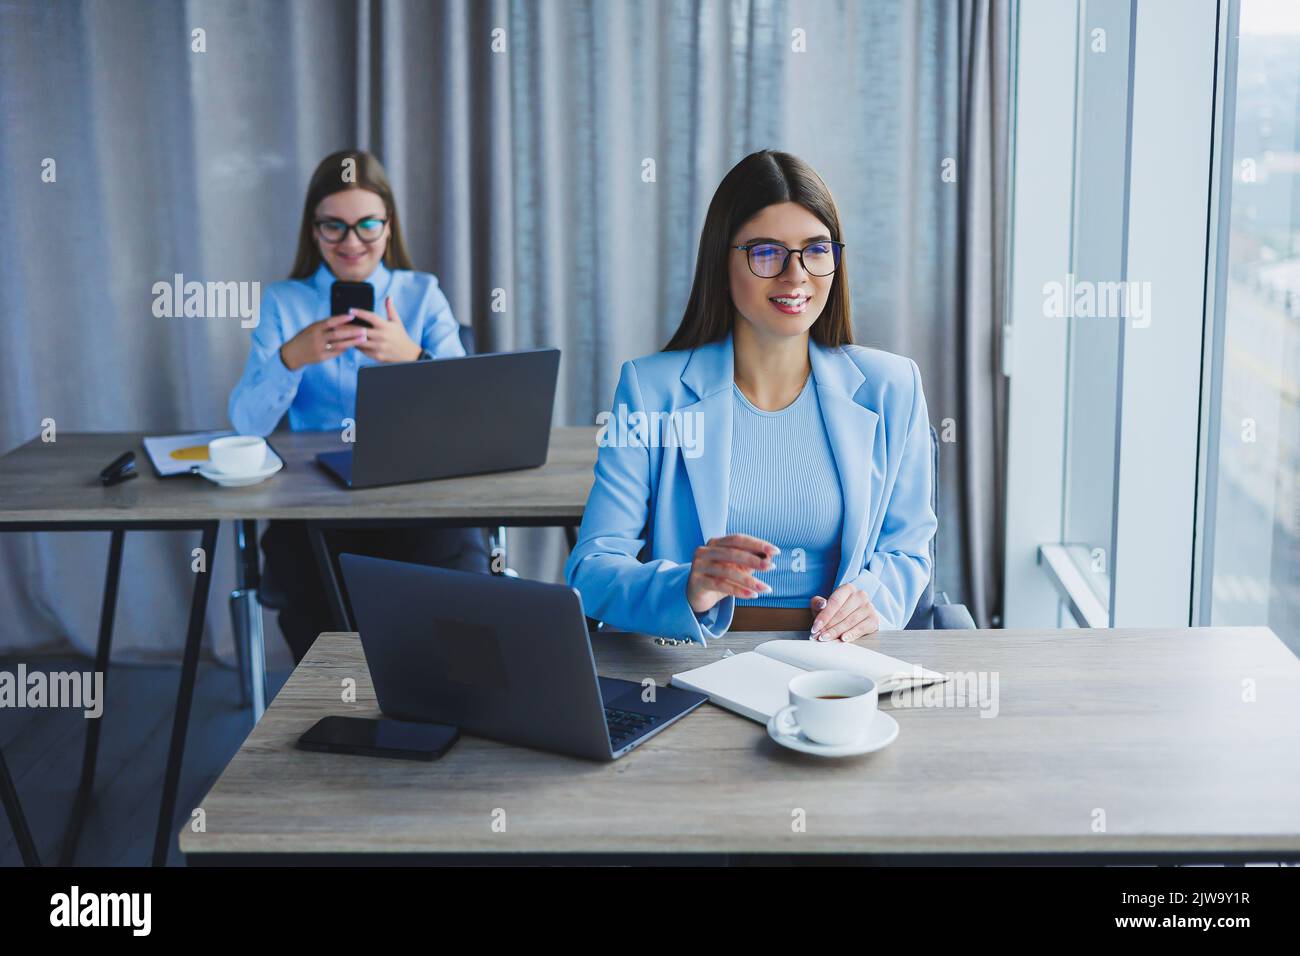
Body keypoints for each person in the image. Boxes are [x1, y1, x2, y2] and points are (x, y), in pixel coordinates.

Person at [565, 149, 937, 644]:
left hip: (836, 662)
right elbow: (592, 569)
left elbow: (907, 550)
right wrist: (686, 587)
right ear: (723, 262)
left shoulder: (893, 386)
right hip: (694, 657)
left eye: (816, 249)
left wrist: (869, 602)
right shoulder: (651, 391)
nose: (795, 274)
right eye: (766, 252)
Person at [229, 149, 489, 662]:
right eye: (334, 226)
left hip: (418, 496)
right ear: (314, 231)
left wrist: (412, 357)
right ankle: (342, 699)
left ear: (389, 227)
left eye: (367, 225)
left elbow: (472, 415)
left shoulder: (422, 294)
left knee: (447, 593)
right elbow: (245, 424)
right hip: (316, 503)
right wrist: (290, 358)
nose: (351, 243)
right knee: (311, 593)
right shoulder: (284, 302)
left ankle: (429, 690)